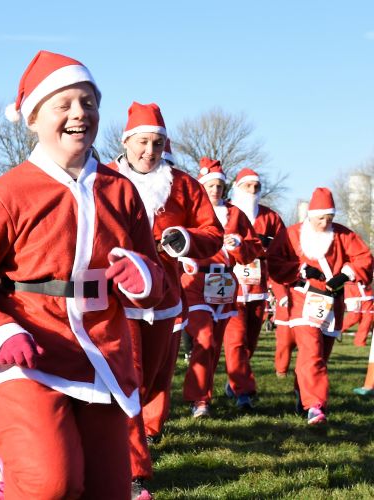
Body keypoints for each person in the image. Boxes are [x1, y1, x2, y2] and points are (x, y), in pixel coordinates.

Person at [0, 50, 168, 498]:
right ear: (32, 118)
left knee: (108, 489)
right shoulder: (8, 193)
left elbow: (158, 274)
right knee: (50, 484)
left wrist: (145, 278)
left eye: (87, 102)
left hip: (103, 355)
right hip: (30, 353)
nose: (79, 114)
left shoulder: (120, 191)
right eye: (62, 105)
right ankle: (2, 482)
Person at [105, 103, 223, 497]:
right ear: (126, 142)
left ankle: (148, 431)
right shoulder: (102, 178)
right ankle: (134, 471)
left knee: (156, 377)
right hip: (116, 299)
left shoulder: (183, 184)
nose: (149, 151)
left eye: (157, 143)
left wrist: (185, 238)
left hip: (167, 299)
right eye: (142, 142)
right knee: (128, 379)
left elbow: (213, 232)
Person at [273, 188, 371, 424]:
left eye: (329, 218)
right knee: (311, 351)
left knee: (320, 356)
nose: (324, 223)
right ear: (310, 215)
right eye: (320, 218)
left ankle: (302, 393)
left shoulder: (342, 235)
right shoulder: (293, 234)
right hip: (302, 301)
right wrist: (299, 270)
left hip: (331, 305)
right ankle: (315, 406)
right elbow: (274, 263)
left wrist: (346, 276)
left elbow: (364, 258)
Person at [180, 159, 261, 418]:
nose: (215, 190)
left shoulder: (235, 214)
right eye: (210, 185)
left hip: (225, 282)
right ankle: (199, 400)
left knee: (216, 343)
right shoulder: (188, 209)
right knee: (204, 338)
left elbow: (251, 251)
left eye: (219, 185)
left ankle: (207, 391)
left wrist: (237, 243)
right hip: (194, 281)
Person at [224, 167, 288, 402]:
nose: (252, 191)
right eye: (247, 186)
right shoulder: (225, 213)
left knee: (249, 342)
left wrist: (265, 244)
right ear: (236, 188)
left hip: (258, 289)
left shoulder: (270, 217)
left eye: (256, 187)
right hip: (230, 288)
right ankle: (244, 392)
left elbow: (283, 249)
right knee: (236, 340)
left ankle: (235, 379)